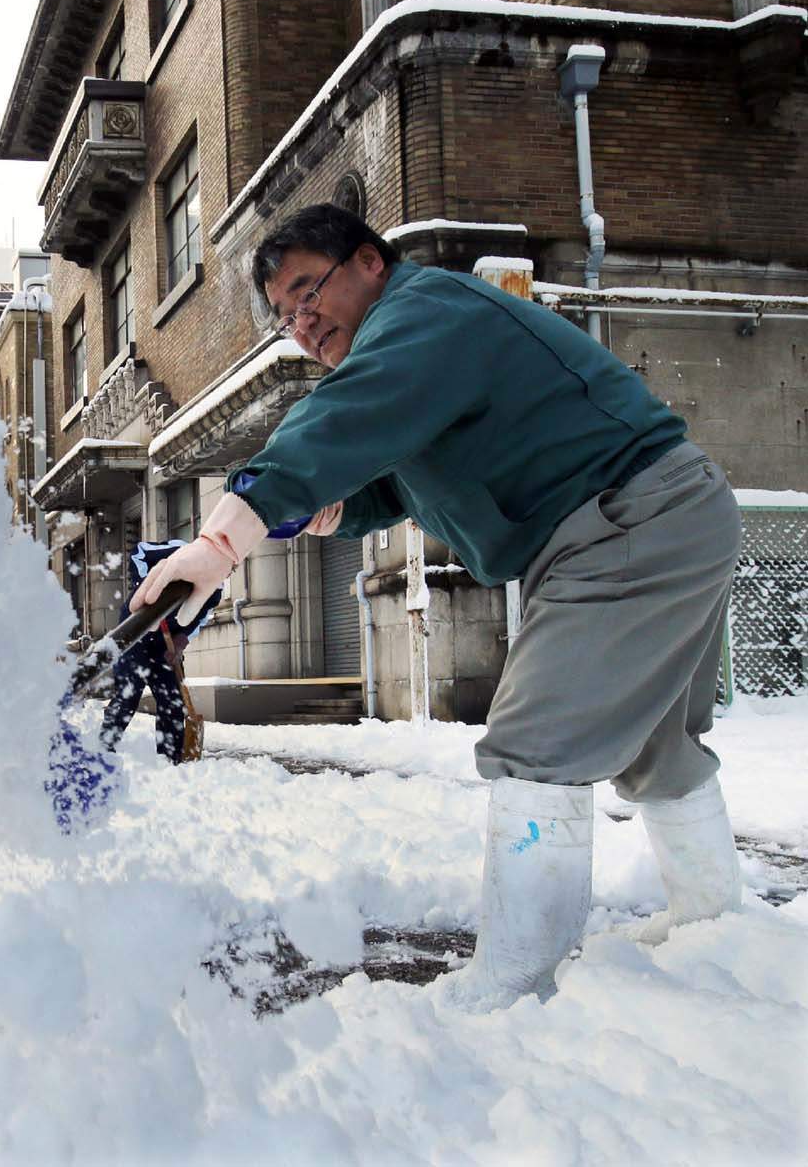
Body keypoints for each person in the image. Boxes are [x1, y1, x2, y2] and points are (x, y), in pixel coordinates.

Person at [132, 203, 744, 1010]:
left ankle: (517, 983)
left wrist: (220, 541)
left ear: (370, 263)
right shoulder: (420, 348)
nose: (302, 324)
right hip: (654, 516)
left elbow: (341, 419)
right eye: (285, 315)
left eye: (308, 292)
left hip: (628, 520)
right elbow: (399, 477)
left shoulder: (423, 314)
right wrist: (332, 510)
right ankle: (714, 925)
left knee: (537, 742)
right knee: (656, 743)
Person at [102, 540, 224, 765]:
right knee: (128, 694)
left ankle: (170, 759)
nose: (228, 569)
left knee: (172, 700)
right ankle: (102, 747)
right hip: (135, 634)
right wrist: (148, 593)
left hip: (165, 646)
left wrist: (182, 639)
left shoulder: (215, 588)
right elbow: (139, 553)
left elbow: (201, 616)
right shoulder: (182, 551)